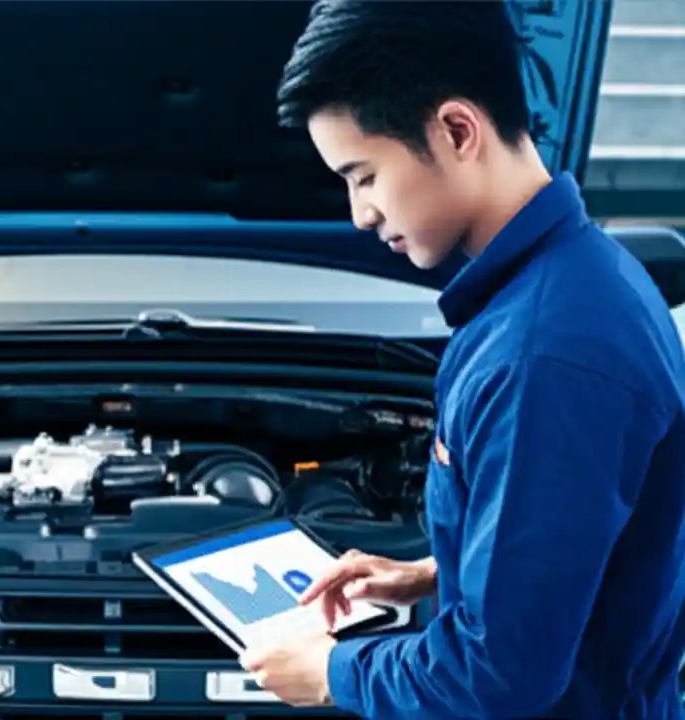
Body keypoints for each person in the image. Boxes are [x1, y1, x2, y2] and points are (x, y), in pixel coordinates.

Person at [240, 1, 685, 718]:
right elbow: (586, 550)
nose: (359, 213)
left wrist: (333, 671)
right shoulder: (577, 280)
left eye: (364, 175)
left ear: (455, 130)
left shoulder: (545, 356)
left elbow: (502, 676)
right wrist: (434, 573)